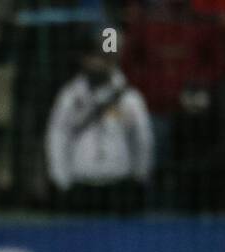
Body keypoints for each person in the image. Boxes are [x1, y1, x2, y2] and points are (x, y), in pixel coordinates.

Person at [45, 44, 154, 214]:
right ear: (84, 60)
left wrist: (140, 174)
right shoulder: (70, 96)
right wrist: (60, 178)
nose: (97, 62)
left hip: (119, 184)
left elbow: (141, 137)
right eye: (92, 57)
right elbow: (57, 136)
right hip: (81, 183)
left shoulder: (129, 97)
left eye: (102, 57)